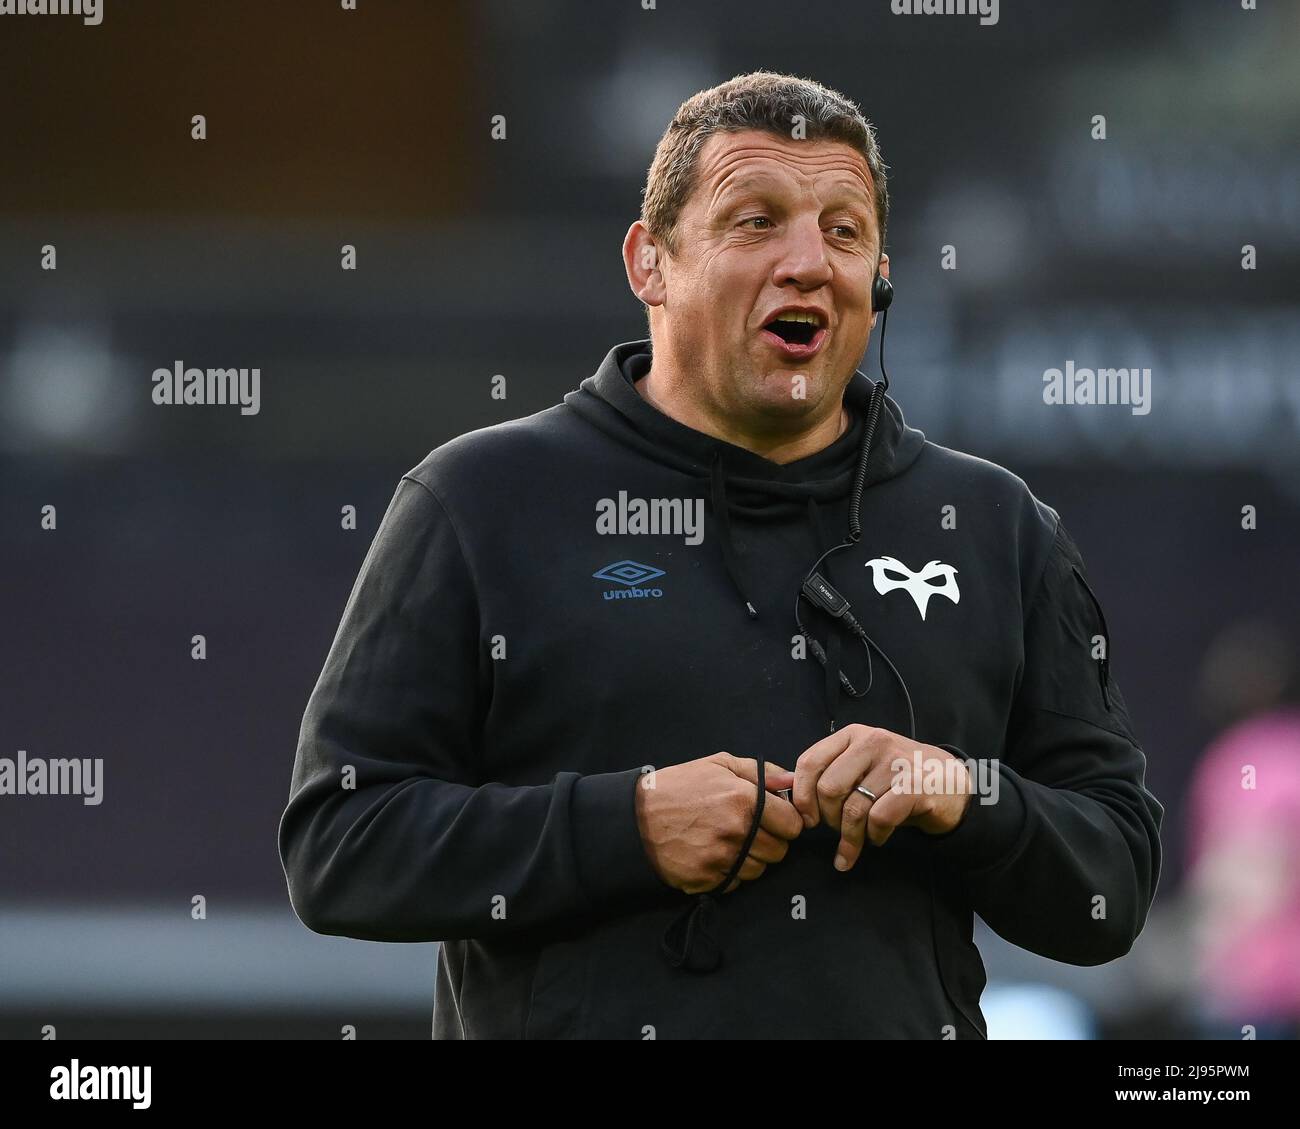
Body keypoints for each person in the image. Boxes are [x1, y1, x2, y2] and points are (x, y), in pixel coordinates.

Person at [278, 70, 1163, 1039]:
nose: (807, 262)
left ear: (878, 278)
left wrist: (962, 792)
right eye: (755, 220)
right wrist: (627, 826)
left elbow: (1110, 885)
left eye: (843, 230)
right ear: (648, 262)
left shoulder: (993, 523)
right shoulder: (481, 499)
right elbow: (340, 847)